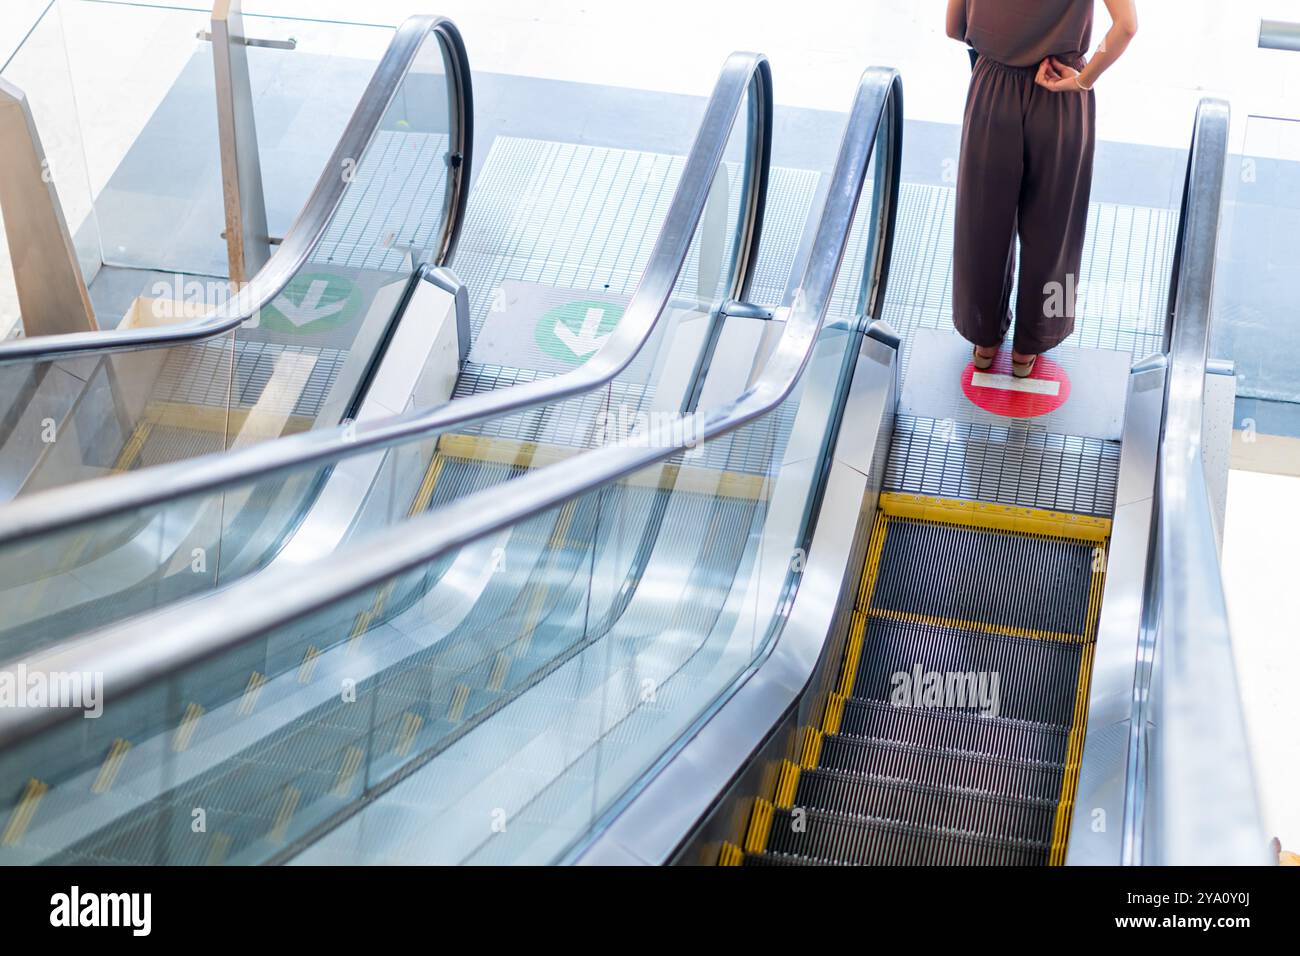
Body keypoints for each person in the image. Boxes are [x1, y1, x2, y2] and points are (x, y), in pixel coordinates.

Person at [946, 0, 1138, 377]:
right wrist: (1083, 79)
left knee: (980, 225)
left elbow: (955, 26)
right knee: (1057, 231)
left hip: (992, 90)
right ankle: (1036, 340)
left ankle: (983, 339)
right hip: (1062, 99)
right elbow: (1126, 27)